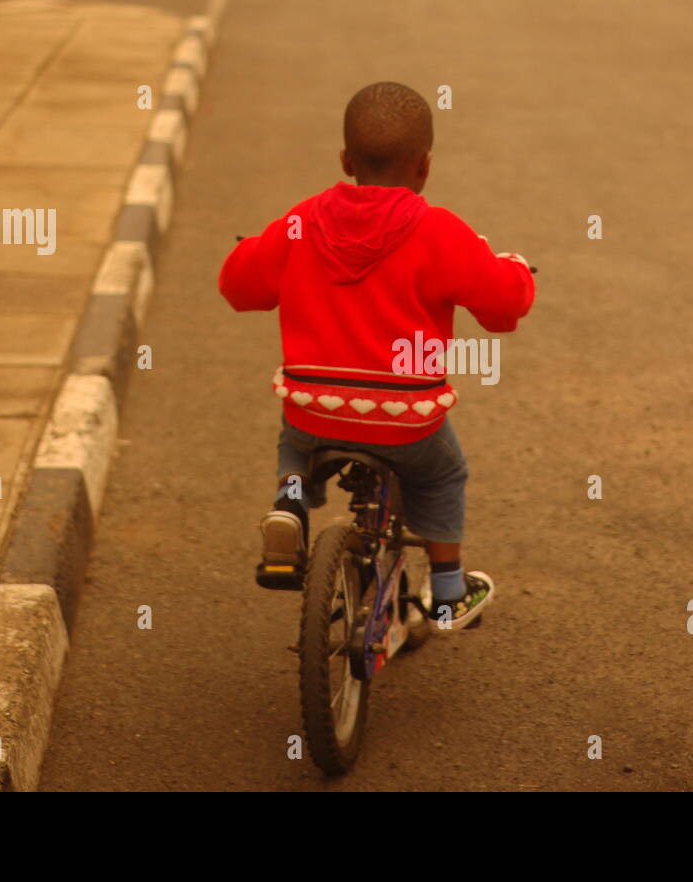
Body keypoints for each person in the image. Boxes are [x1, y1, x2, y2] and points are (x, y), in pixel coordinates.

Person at [218, 81, 535, 629]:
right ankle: (448, 589)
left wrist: (250, 249)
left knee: (293, 442)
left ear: (346, 160)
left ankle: (290, 505)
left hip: (315, 409)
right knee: (442, 474)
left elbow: (240, 286)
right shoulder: (441, 232)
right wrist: (515, 268)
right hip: (402, 423)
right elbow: (503, 301)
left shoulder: (302, 221)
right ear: (425, 167)